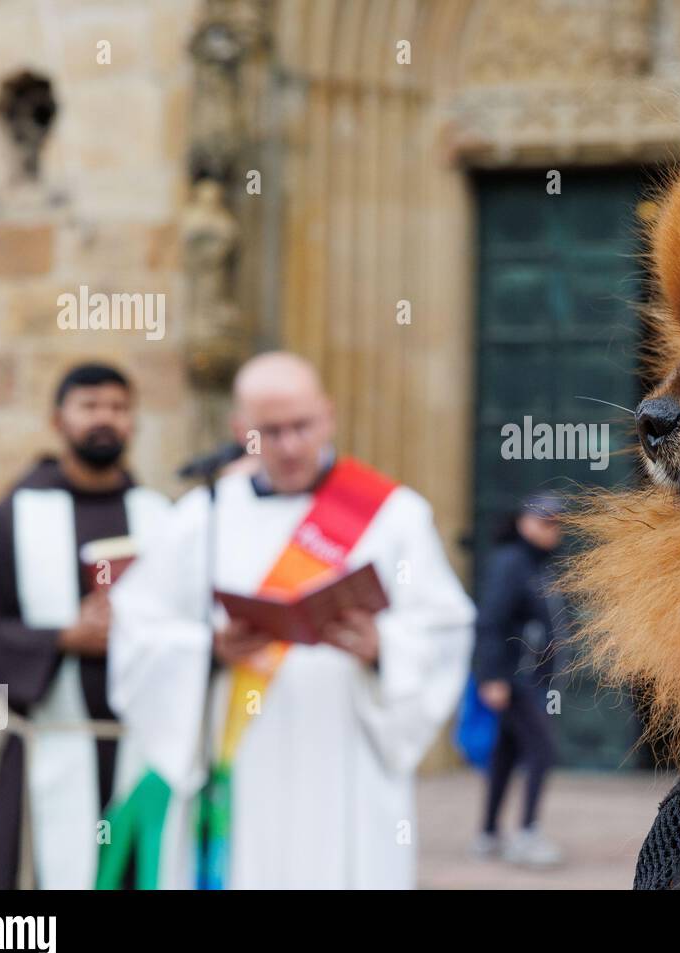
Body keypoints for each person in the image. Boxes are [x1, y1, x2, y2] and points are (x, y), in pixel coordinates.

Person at [105, 351, 474, 889]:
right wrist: (208, 647)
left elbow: (444, 629)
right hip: (239, 758)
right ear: (240, 431)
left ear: (327, 415)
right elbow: (139, 628)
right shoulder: (201, 518)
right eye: (269, 431)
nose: (290, 445)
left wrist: (382, 647)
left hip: (346, 752)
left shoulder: (393, 516)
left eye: (302, 426)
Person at [0, 363, 170, 889]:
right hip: (52, 738)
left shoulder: (163, 518)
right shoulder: (9, 520)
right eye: (90, 406)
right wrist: (62, 639)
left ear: (133, 423)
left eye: (118, 409)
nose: (105, 419)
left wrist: (138, 632)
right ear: (59, 419)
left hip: (142, 744)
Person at [473, 493, 566, 867]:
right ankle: (527, 834)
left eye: (557, 523)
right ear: (523, 522)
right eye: (545, 521)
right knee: (541, 751)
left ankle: (488, 834)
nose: (552, 530)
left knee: (506, 754)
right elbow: (491, 621)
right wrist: (492, 676)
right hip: (516, 678)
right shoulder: (512, 562)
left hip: (531, 679)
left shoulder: (540, 565)